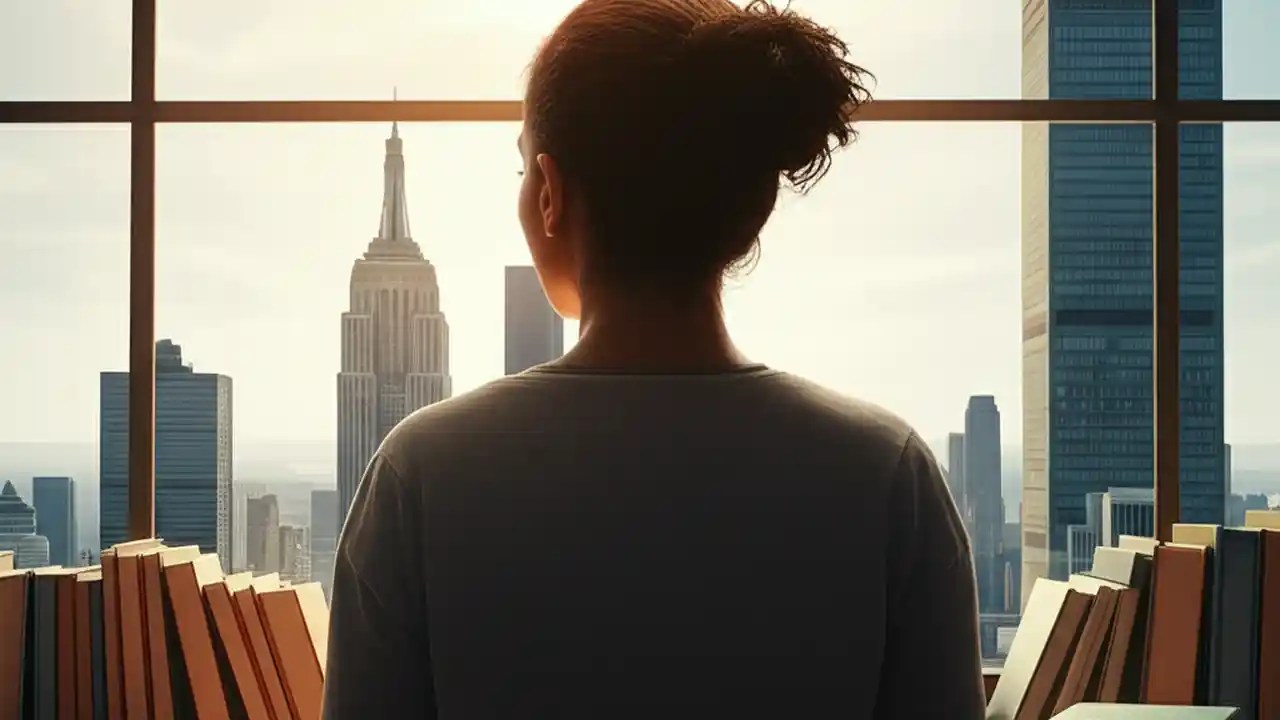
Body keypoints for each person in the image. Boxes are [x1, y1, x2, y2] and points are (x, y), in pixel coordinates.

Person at [322, 0, 984, 717]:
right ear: (750, 207)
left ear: (549, 194)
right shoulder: (889, 474)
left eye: (521, 168)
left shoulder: (418, 474)